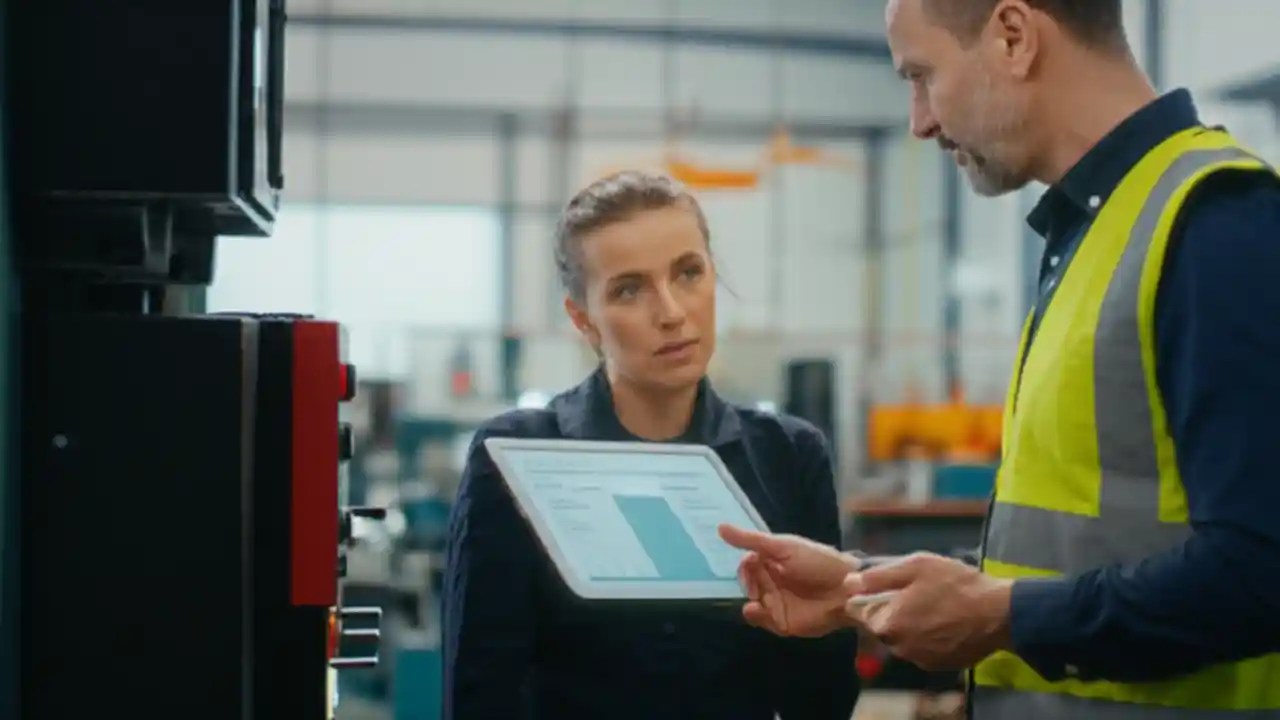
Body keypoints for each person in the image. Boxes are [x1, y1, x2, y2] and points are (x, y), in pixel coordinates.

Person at [720, 0, 1280, 717]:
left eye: (922, 76)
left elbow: (1262, 570)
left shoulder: (1216, 224)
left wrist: (1005, 616)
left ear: (1013, 37)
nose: (919, 121)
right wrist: (864, 584)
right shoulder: (1098, 229)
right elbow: (1084, 553)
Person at [442, 170, 859, 719]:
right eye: (629, 289)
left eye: (688, 273)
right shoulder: (519, 459)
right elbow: (478, 694)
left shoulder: (789, 457)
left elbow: (824, 703)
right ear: (583, 319)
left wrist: (835, 613)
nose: (671, 313)